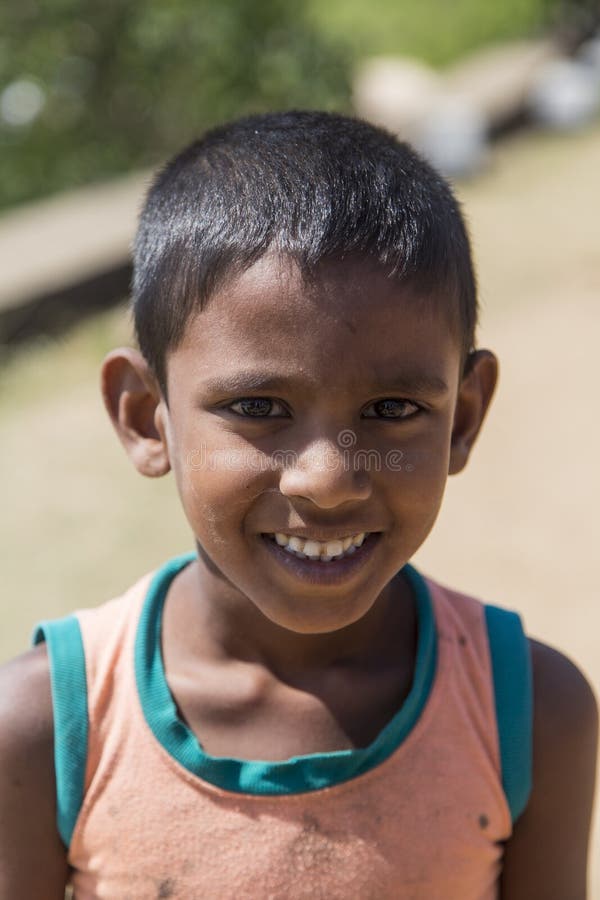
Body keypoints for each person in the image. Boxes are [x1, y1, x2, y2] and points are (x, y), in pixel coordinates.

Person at [0, 111, 597, 900]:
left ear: (465, 416)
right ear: (147, 418)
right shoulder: (50, 731)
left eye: (391, 410)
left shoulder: (528, 711)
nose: (325, 480)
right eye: (256, 407)